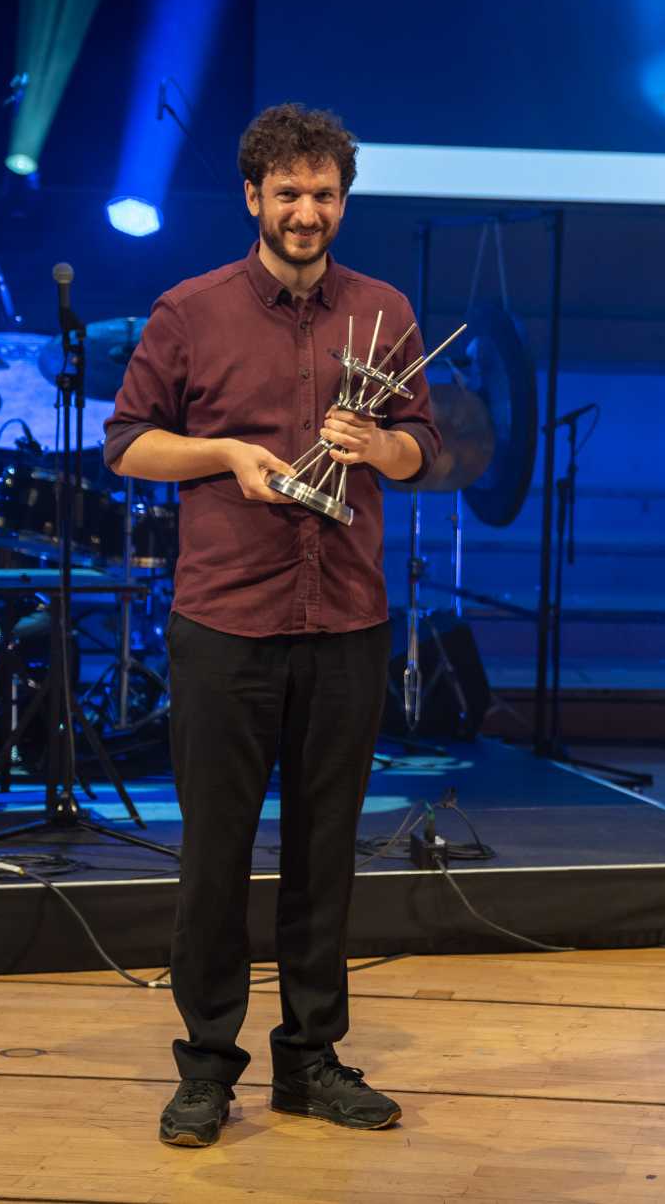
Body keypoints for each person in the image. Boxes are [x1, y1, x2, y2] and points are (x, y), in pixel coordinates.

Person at [105, 102, 439, 1147]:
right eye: (287, 192)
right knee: (214, 854)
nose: (307, 210)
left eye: (323, 193)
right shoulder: (190, 310)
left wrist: (380, 446)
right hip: (228, 619)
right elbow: (125, 444)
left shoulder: (384, 310)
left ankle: (311, 1060)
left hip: (345, 617)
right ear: (252, 197)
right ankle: (207, 1065)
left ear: (344, 199)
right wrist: (226, 456)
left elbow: (427, 448)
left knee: (324, 851)